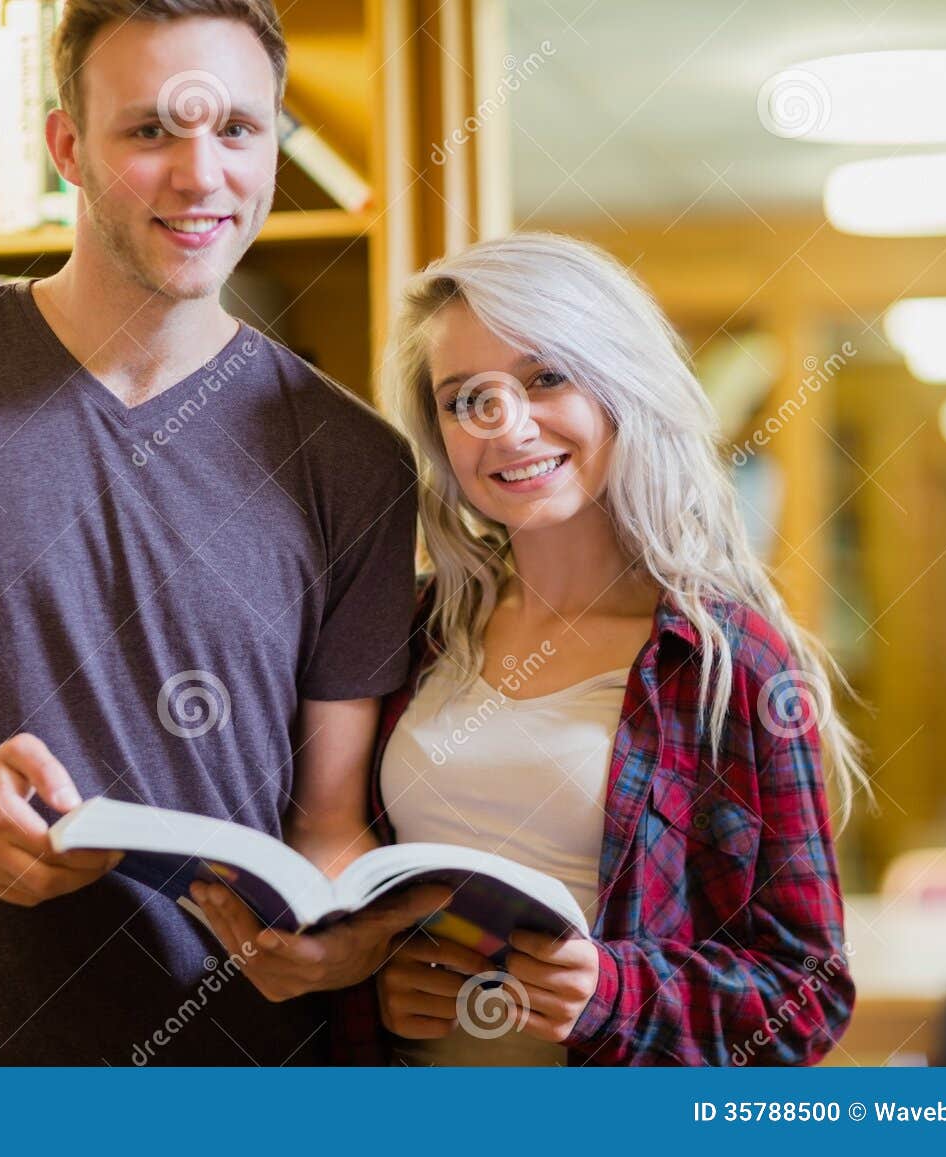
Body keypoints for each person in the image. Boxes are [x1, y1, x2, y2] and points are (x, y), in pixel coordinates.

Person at [0, 0, 440, 1065]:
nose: (202, 175)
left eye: (238, 129)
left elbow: (326, 824)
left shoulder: (355, 458)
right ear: (67, 146)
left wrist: (339, 942)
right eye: (150, 131)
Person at [338, 231, 869, 1065]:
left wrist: (614, 991)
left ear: (620, 383)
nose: (507, 426)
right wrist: (380, 984)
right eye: (465, 399)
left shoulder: (726, 662)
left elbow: (808, 996)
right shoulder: (412, 630)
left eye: (546, 377)